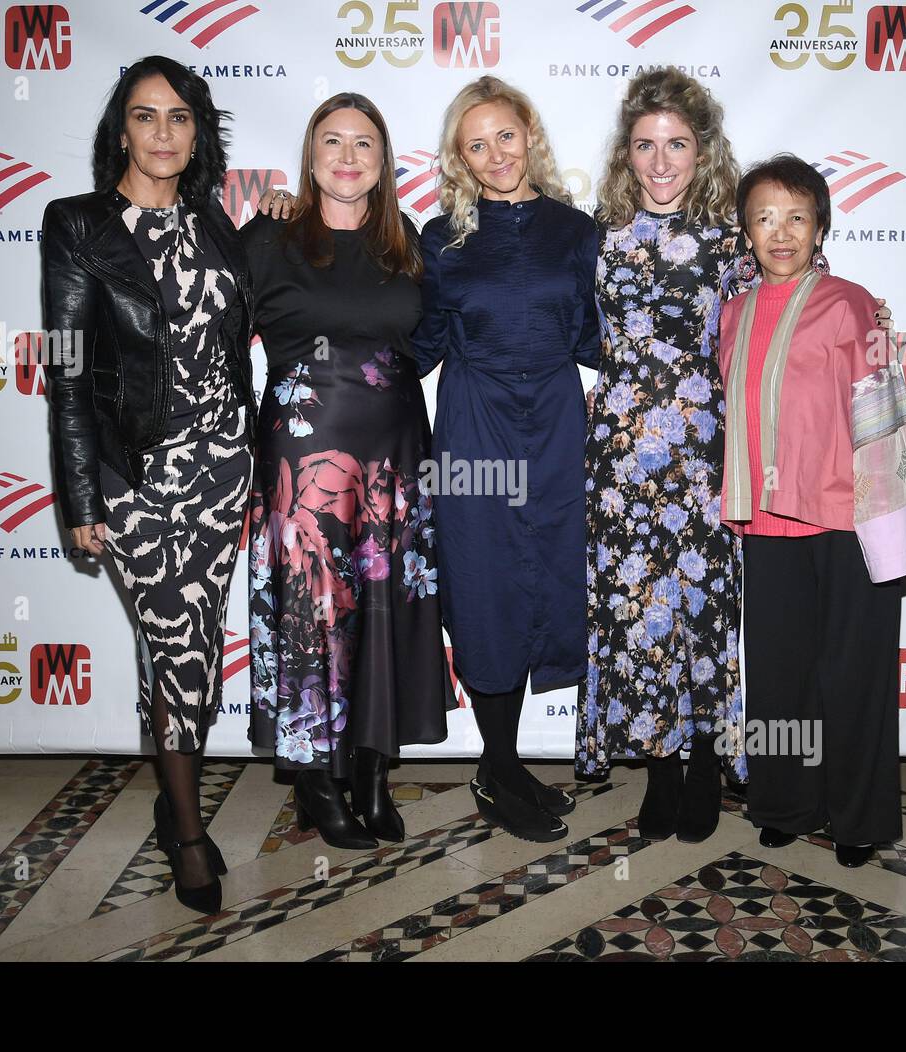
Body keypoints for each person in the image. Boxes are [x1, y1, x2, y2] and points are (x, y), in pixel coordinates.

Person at [42, 56, 256, 913]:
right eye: (144, 116)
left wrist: (275, 213)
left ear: (197, 132)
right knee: (179, 651)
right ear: (119, 131)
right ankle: (190, 831)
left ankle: (173, 808)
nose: (162, 133)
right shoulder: (78, 225)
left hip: (223, 471)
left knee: (187, 648)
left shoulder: (220, 228)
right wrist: (80, 500)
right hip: (136, 477)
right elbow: (65, 371)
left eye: (178, 117)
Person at [718, 153, 906, 868]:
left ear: (820, 225)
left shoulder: (852, 303)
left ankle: (857, 817)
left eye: (796, 216)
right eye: (764, 218)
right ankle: (785, 802)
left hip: (850, 518)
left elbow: (884, 414)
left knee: (854, 672)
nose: (780, 232)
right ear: (745, 230)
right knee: (780, 674)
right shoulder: (729, 313)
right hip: (767, 521)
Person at [243, 94, 452, 850]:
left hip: (395, 452)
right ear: (309, 154)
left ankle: (370, 768)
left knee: (385, 606)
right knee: (313, 609)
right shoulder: (268, 238)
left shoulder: (407, 246)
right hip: (304, 458)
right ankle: (315, 781)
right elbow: (225, 346)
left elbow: (426, 342)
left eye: (364, 144)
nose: (347, 156)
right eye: (332, 141)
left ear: (383, 162)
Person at [412, 76, 599, 843]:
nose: (494, 154)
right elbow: (414, 342)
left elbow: (602, 333)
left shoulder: (578, 230)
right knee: (485, 584)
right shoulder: (440, 238)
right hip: (474, 423)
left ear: (531, 134)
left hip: (555, 420)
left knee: (549, 576)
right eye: (475, 143)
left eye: (505, 136)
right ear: (460, 157)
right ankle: (496, 765)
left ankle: (508, 765)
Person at [575, 69, 746, 845]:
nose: (661, 161)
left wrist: (863, 314)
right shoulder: (599, 237)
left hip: (704, 452)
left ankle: (705, 757)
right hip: (618, 460)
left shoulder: (734, 242)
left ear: (702, 150)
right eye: (645, 145)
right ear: (626, 154)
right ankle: (662, 764)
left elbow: (787, 315)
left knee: (702, 609)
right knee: (637, 612)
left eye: (676, 144)